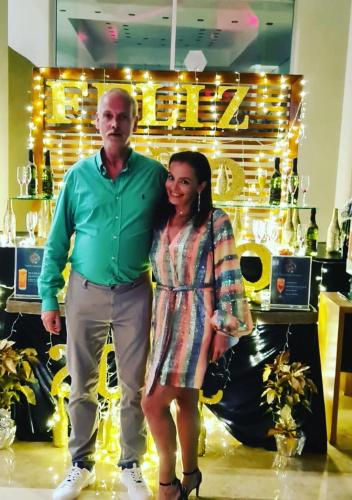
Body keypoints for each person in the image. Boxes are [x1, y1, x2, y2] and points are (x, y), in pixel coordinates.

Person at [38, 88, 167, 500]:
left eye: (122, 116)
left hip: (135, 293)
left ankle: (131, 466)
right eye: (107, 116)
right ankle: (81, 465)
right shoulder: (77, 177)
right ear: (96, 121)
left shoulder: (155, 176)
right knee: (81, 385)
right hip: (84, 291)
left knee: (134, 387)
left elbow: (175, 230)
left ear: (134, 122)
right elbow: (57, 241)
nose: (115, 123)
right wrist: (48, 296)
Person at [141, 151, 253, 499]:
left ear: (201, 186)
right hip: (163, 314)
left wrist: (223, 328)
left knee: (152, 402)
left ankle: (166, 481)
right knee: (187, 400)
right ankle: (190, 474)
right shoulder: (159, 218)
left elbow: (229, 274)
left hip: (197, 318)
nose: (174, 187)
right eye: (171, 177)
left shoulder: (216, 221)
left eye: (185, 181)